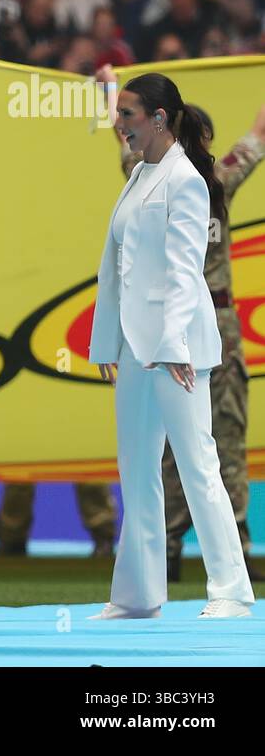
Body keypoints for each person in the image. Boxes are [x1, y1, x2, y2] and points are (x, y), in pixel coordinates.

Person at [88, 70, 255, 619]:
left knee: (198, 463)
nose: (119, 124)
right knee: (136, 468)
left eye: (128, 114)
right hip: (137, 348)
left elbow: (186, 271)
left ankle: (230, 589)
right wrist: (106, 343)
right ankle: (138, 595)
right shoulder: (139, 174)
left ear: (159, 119)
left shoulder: (186, 180)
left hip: (175, 348)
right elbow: (117, 270)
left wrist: (173, 345)